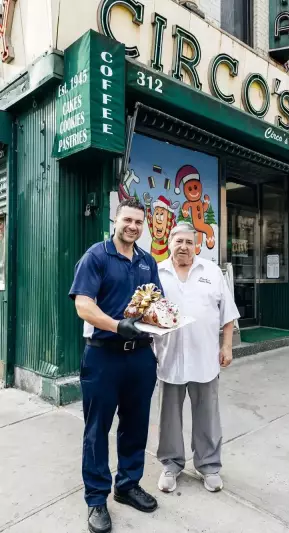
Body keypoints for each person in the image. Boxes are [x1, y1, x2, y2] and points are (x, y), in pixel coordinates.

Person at [69, 198, 162, 533]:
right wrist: (116, 325)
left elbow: (155, 303)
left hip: (139, 357)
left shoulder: (147, 262)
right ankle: (96, 499)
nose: (133, 226)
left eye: (139, 222)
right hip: (103, 356)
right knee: (97, 430)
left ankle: (127, 485)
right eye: (128, 220)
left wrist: (165, 321)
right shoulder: (96, 256)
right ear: (116, 220)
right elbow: (83, 305)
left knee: (136, 425)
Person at [154, 223, 239, 494]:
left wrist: (227, 347)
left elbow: (228, 314)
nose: (184, 246)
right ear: (169, 242)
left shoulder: (212, 272)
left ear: (197, 245)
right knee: (168, 417)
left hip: (204, 359)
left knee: (208, 415)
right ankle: (171, 464)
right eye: (179, 241)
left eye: (189, 242)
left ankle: (209, 465)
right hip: (168, 359)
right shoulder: (158, 273)